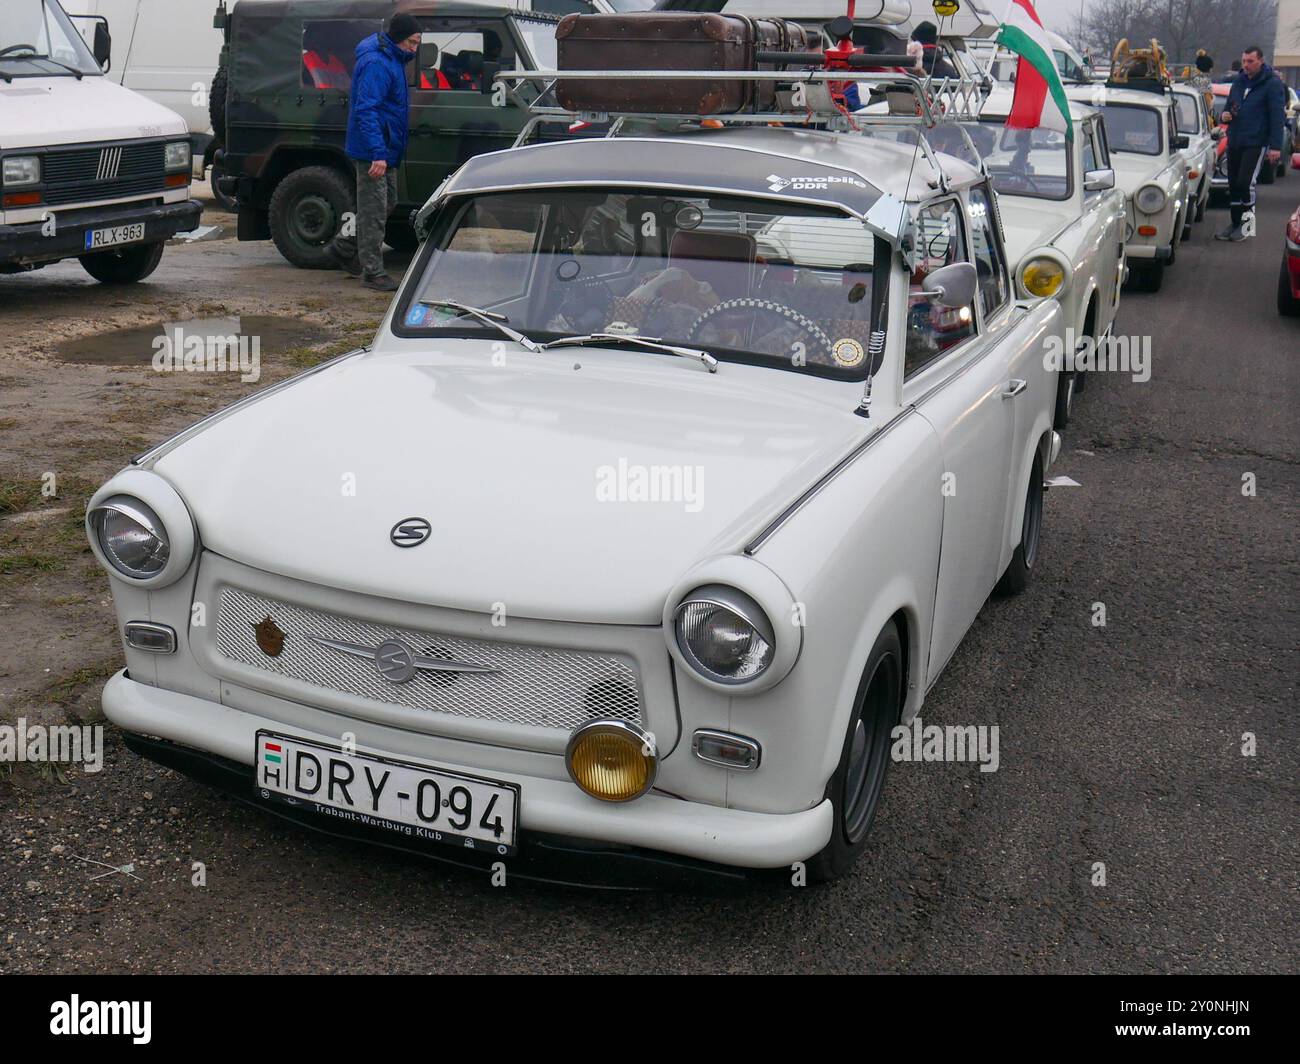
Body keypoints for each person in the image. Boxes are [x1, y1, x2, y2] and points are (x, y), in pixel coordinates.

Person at [328, 13, 420, 291]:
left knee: (387, 202)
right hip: (373, 150)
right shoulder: (377, 63)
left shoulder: (393, 59)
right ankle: (373, 272)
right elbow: (366, 110)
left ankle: (344, 246)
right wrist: (377, 153)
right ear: (399, 38)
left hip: (384, 148)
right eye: (412, 42)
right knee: (374, 209)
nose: (415, 48)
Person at [1215, 46, 1286, 241]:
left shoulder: (1272, 84)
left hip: (1256, 141)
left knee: (1245, 183)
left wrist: (1275, 146)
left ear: (1261, 61)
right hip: (1235, 138)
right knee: (1233, 183)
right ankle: (1234, 223)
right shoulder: (1239, 81)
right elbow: (1229, 107)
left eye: (1250, 61)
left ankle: (1247, 227)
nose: (1246, 65)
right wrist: (1225, 115)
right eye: (1244, 61)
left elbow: (1277, 117)